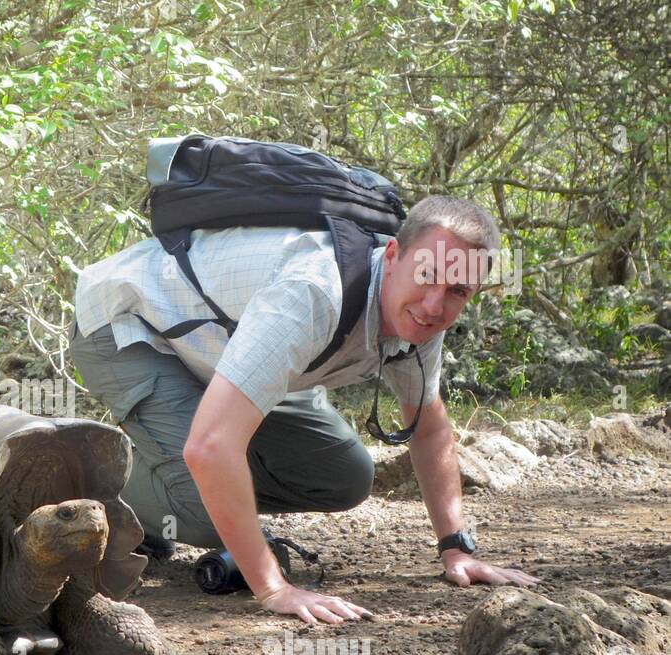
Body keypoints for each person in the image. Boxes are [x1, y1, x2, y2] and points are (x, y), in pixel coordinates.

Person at [69, 195, 541, 626]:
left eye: (458, 291)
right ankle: (75, 474)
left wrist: (456, 549)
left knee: (346, 475)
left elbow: (430, 432)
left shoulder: (421, 317)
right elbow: (213, 449)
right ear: (393, 256)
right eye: (427, 276)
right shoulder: (313, 294)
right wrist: (274, 587)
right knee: (208, 512)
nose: (435, 305)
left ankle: (165, 463)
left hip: (221, 350)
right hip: (128, 326)